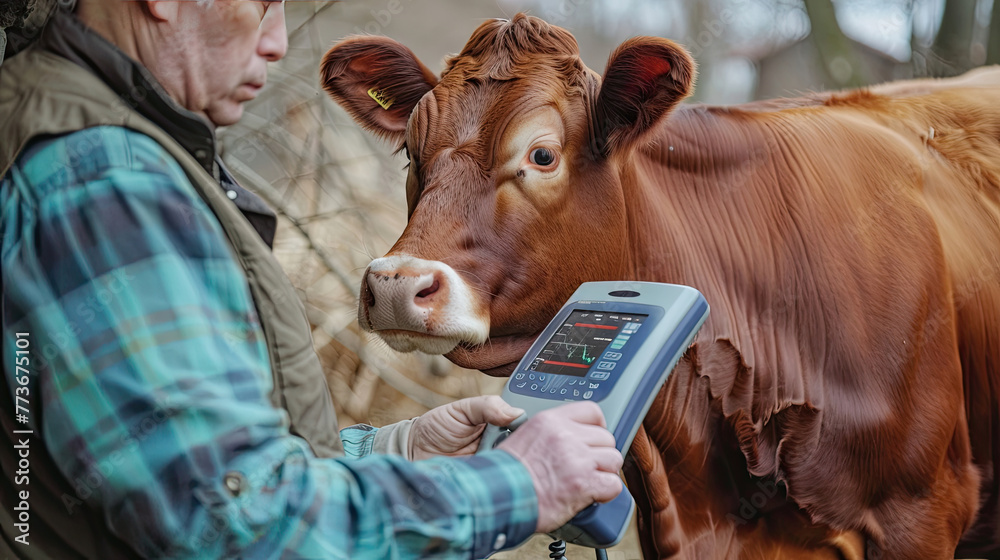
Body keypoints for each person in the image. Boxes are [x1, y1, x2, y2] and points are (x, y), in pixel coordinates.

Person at [0, 0, 624, 558]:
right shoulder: (103, 182)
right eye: (264, 4)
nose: (276, 42)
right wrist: (518, 483)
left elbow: (193, 461)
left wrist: (396, 452)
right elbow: (236, 524)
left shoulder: (93, 146)